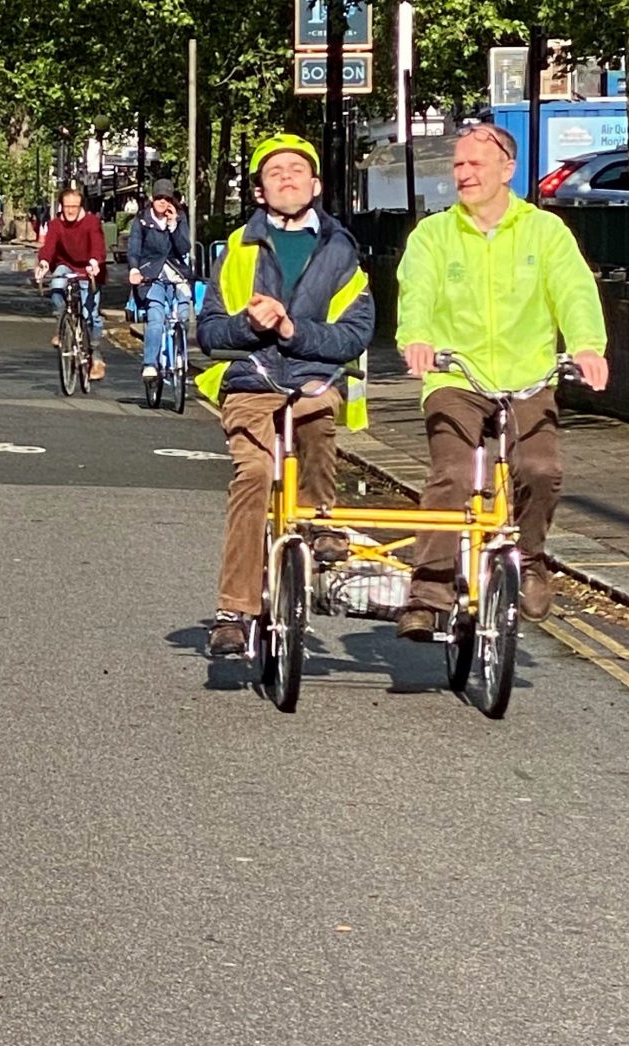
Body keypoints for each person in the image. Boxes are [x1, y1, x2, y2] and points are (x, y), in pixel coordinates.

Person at [392, 122, 609, 640]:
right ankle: (428, 592)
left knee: (540, 469)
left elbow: (574, 291)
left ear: (507, 170)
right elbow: (415, 291)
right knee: (453, 475)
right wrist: (417, 338)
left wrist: (586, 346)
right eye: (459, 166)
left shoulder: (545, 232)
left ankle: (530, 559)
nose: (463, 174)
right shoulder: (433, 234)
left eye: (475, 165)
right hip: (456, 376)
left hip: (528, 377)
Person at [195, 133, 375, 657]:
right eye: (275, 172)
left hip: (314, 378)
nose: (288, 178)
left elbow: (355, 333)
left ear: (315, 185)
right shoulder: (237, 249)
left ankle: (320, 521)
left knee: (319, 416)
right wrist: (249, 324)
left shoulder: (343, 252)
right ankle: (235, 610)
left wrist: (297, 332)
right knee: (253, 475)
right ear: (259, 191)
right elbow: (209, 333)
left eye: (298, 170)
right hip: (252, 382)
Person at [34, 186, 109, 379]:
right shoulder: (56, 224)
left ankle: (96, 356)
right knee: (57, 287)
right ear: (61, 206)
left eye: (74, 206)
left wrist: (94, 263)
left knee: (90, 314)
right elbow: (49, 247)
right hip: (65, 265)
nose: (70, 210)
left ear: (80, 206)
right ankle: (62, 322)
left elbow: (97, 246)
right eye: (67, 206)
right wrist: (43, 263)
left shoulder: (91, 222)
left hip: (89, 268)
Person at [126, 179, 194, 383]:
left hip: (176, 274)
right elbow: (134, 249)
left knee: (182, 316)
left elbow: (184, 249)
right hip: (150, 276)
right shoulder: (142, 221)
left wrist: (173, 226)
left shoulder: (179, 219)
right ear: (151, 199)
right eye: (159, 198)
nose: (163, 203)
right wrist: (134, 270)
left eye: (167, 199)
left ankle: (180, 360)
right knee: (155, 317)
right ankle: (150, 364)